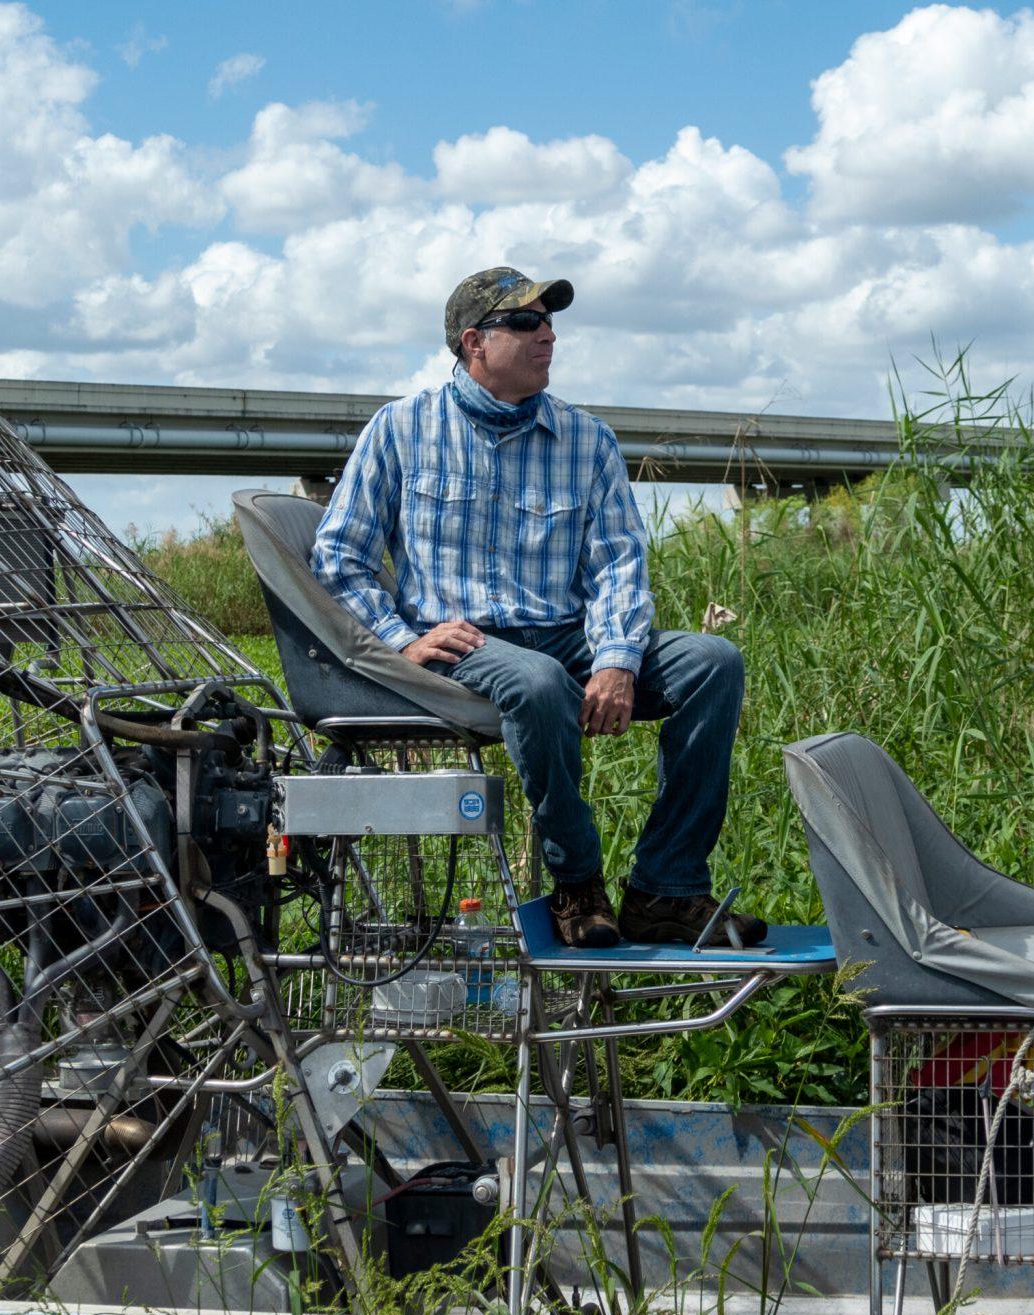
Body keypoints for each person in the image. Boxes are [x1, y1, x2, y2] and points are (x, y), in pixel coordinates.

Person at [312, 267, 761, 950]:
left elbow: (618, 564)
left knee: (713, 661)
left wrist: (615, 658)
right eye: (525, 322)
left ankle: (666, 889)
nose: (547, 332)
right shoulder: (401, 429)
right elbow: (340, 555)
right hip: (464, 647)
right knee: (537, 680)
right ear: (474, 343)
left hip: (566, 635)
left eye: (550, 320)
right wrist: (403, 638)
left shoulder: (588, 440)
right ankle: (577, 886)